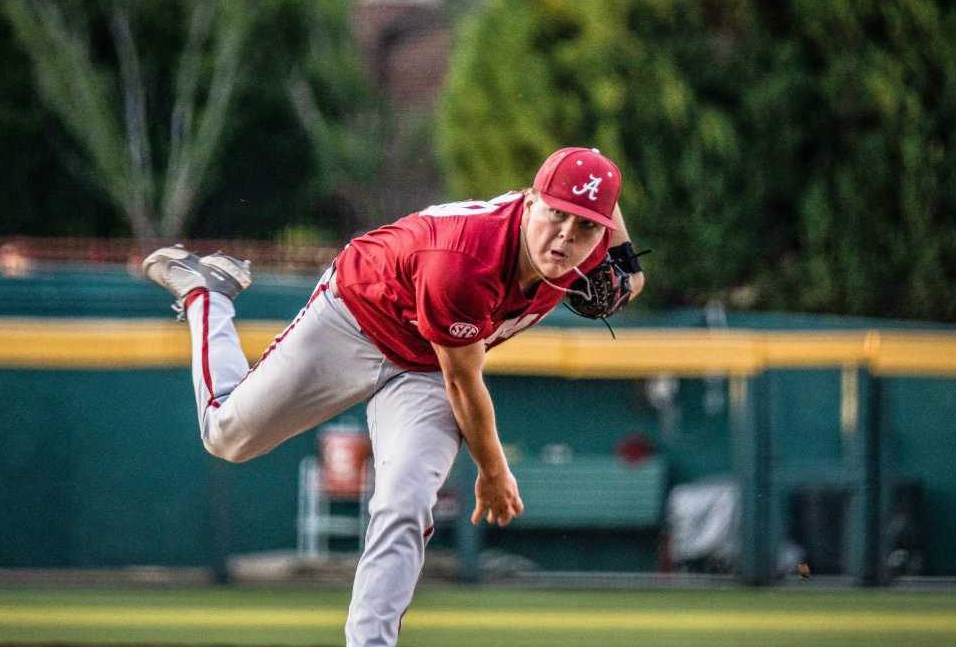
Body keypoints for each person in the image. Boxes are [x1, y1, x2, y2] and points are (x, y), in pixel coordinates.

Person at [141, 146, 645, 647]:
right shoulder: (464, 261)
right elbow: (464, 384)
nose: (565, 237)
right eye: (557, 214)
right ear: (531, 200)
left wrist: (629, 265)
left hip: (425, 365)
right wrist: (493, 471)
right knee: (226, 435)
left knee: (405, 503)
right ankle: (206, 293)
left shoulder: (589, 249)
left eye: (585, 226)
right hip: (358, 316)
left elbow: (610, 230)